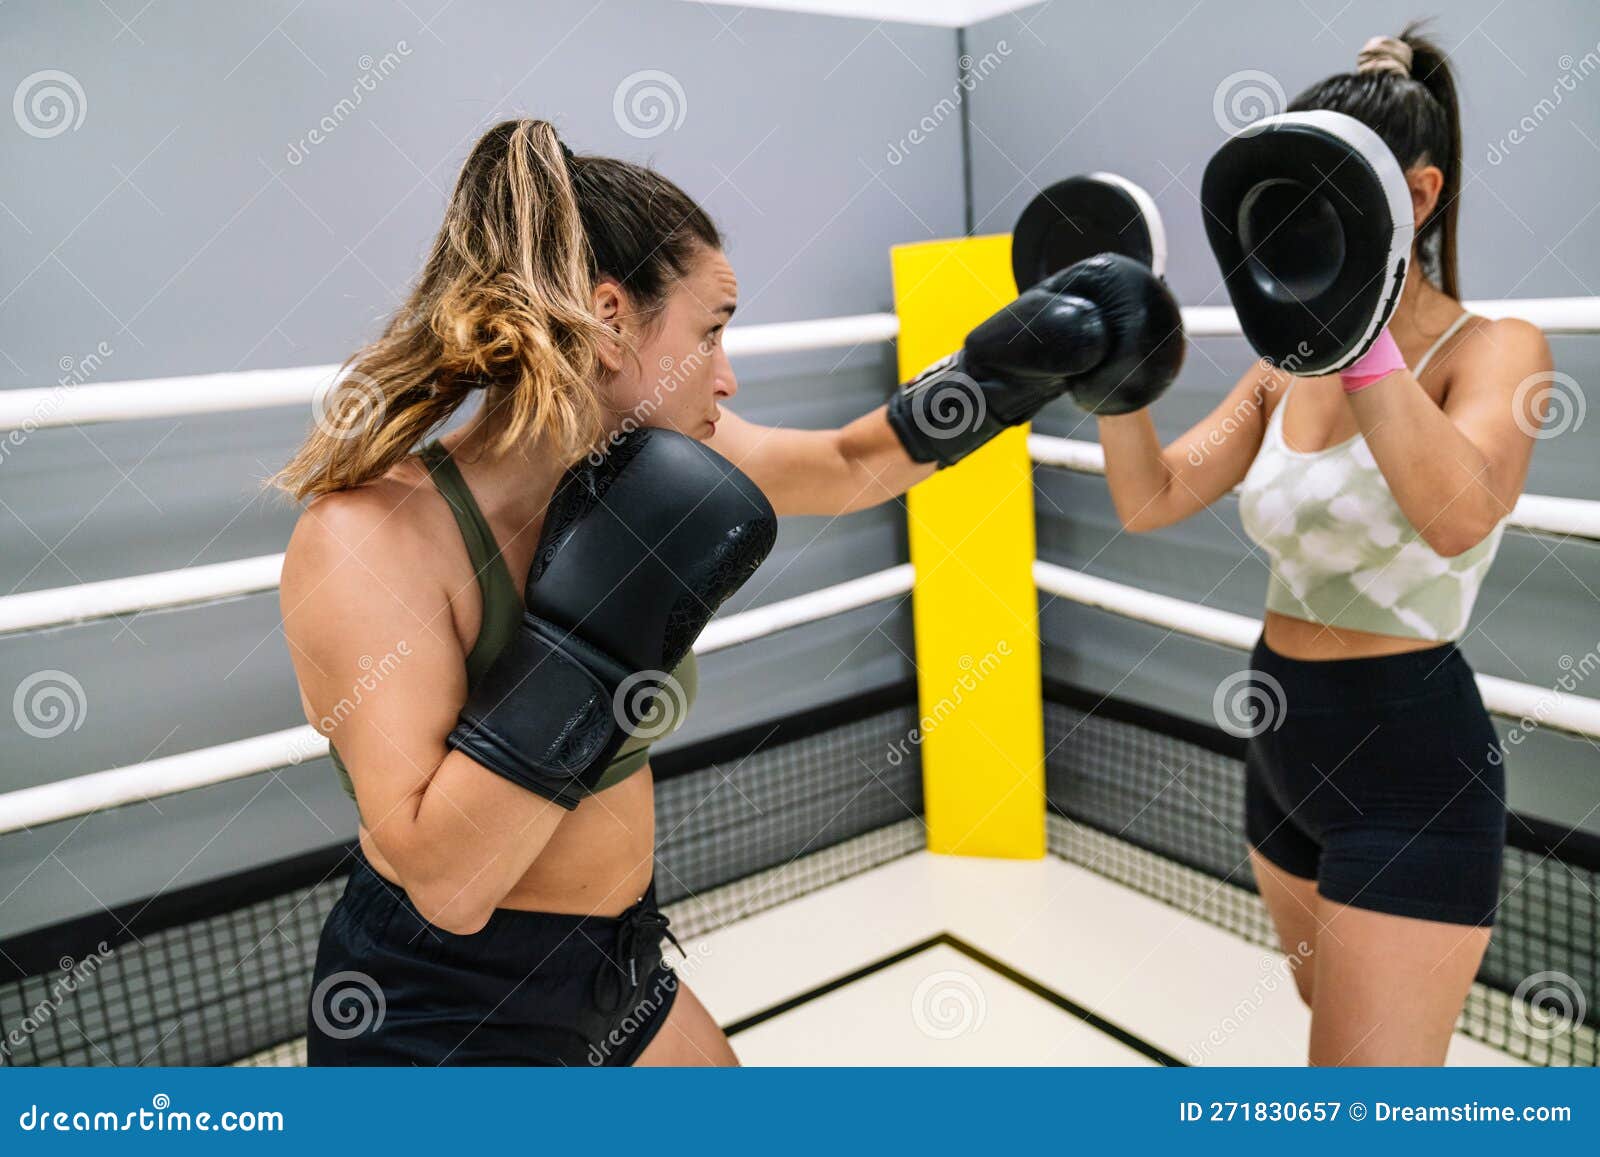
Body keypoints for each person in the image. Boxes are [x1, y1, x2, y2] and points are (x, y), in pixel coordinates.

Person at [275, 119, 1179, 1066]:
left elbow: (847, 464)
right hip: (443, 1014)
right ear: (610, 319)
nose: (727, 375)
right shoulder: (370, 541)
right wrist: (593, 637)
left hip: (613, 965)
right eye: (709, 331)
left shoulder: (638, 466)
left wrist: (999, 379)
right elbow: (449, 884)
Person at [1100, 26, 1552, 1065]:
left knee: (1360, 1105)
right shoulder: (1281, 368)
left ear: (1419, 196)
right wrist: (1114, 377)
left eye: (1332, 192)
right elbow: (1151, 496)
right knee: (1341, 1054)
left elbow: (1458, 515)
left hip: (1409, 768)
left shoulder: (1495, 348)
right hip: (1280, 742)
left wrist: (1360, 332)